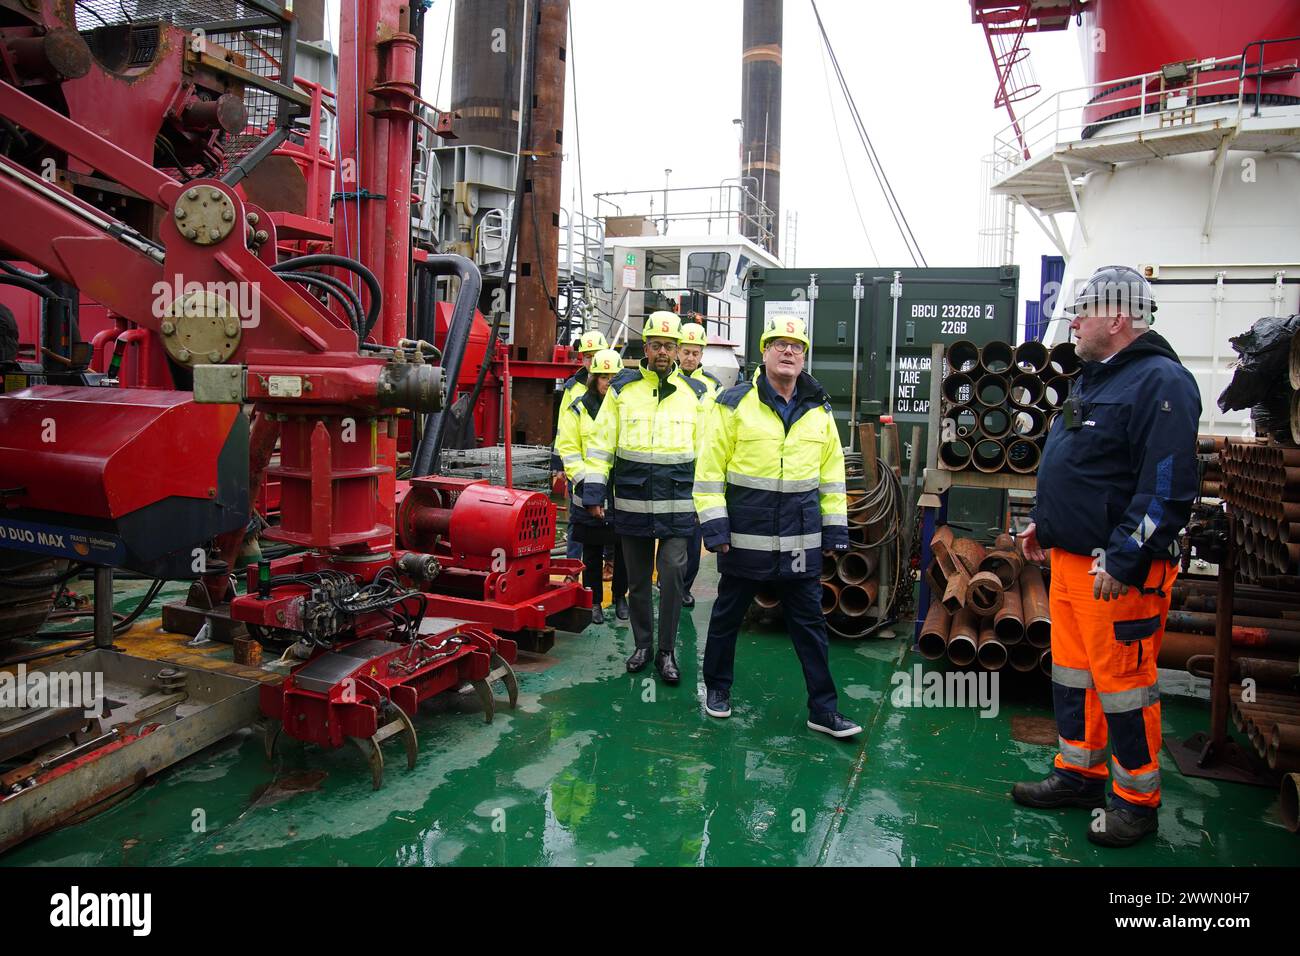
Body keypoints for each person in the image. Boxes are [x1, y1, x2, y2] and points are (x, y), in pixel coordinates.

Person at [1013, 264, 1200, 848]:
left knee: (1124, 684)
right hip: (1071, 564)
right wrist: (1047, 523)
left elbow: (1167, 485)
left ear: (1117, 317)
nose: (1072, 319)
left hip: (1117, 571)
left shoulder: (1160, 383)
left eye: (1082, 310)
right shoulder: (1097, 379)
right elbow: (1091, 466)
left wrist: (1126, 558)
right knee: (1075, 676)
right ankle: (1081, 773)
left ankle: (1136, 801)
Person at [693, 315, 861, 739]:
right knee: (727, 617)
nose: (788, 352)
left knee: (810, 627)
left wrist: (836, 529)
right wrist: (715, 529)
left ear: (804, 356)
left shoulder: (818, 410)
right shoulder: (732, 404)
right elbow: (710, 472)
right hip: (744, 538)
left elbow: (832, 474)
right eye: (779, 344)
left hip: (799, 541)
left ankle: (823, 710)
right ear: (764, 352)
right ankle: (717, 688)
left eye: (796, 346)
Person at [581, 311, 707, 682]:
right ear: (646, 348)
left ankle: (666, 652)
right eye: (656, 345)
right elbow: (601, 443)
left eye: (670, 346)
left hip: (679, 503)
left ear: (678, 349)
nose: (663, 352)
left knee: (671, 576)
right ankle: (643, 645)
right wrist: (594, 491)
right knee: (636, 580)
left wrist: (708, 503)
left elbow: (707, 451)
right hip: (633, 502)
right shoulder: (622, 390)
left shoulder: (695, 395)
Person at [555, 349, 629, 624]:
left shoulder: (626, 410)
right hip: (587, 490)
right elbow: (569, 449)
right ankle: (595, 600)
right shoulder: (578, 409)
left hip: (619, 490)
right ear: (593, 378)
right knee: (592, 549)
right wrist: (588, 490)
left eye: (613, 376)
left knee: (622, 548)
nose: (608, 381)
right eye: (603, 376)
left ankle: (620, 597)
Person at [551, 329, 610, 560]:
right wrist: (560, 465)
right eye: (587, 356)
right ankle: (572, 566)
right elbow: (563, 427)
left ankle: (608, 560)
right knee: (577, 519)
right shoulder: (572, 387)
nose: (592, 360)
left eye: (596, 355)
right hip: (578, 465)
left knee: (607, 517)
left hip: (605, 465)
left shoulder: (614, 382)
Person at [677, 320, 722, 608]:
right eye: (686, 351)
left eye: (695, 352)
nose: (690, 357)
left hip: (700, 468)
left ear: (702, 354)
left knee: (694, 534)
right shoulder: (669, 384)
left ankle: (684, 586)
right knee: (671, 531)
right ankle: (666, 579)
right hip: (674, 466)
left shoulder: (713, 387)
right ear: (678, 352)